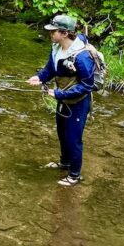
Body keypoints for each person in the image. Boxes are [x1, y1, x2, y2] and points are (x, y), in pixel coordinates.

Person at [28, 14, 95, 187]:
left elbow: (87, 86)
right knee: (62, 134)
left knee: (73, 138)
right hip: (64, 100)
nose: (50, 34)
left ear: (64, 33)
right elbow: (50, 69)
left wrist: (59, 95)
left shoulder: (82, 56)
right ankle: (64, 162)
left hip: (78, 103)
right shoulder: (56, 48)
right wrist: (40, 78)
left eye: (53, 31)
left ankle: (74, 175)